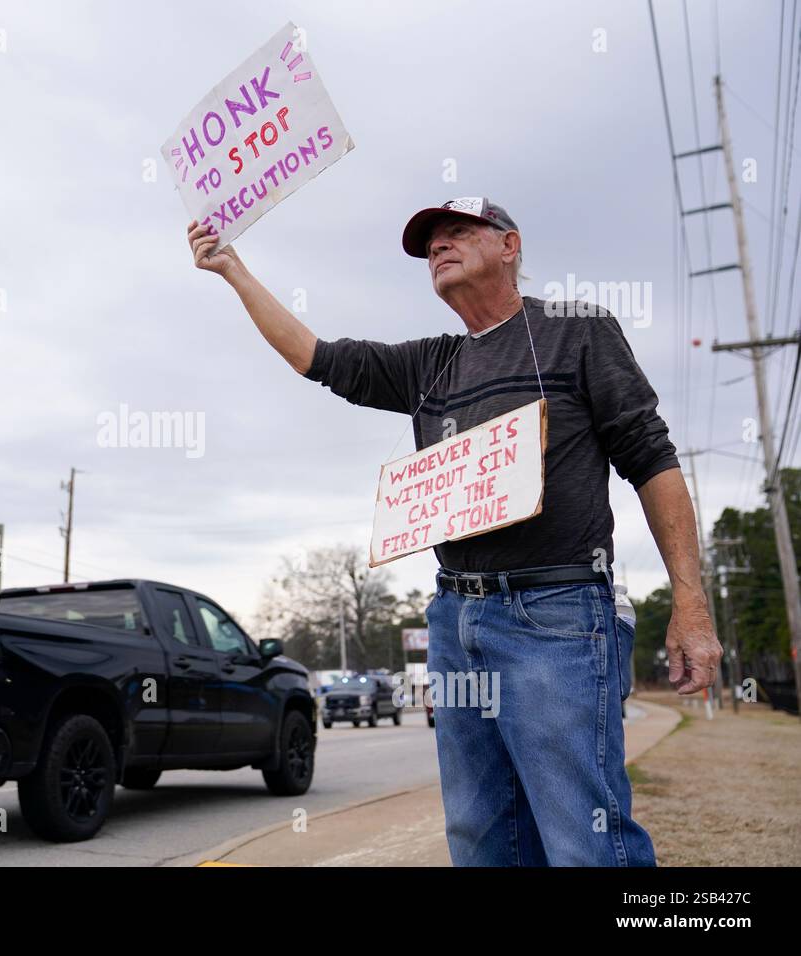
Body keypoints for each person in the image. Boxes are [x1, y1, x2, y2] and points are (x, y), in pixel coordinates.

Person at [185, 198, 722, 866]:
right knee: (480, 834)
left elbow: (651, 458)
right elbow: (315, 358)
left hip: (555, 614)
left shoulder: (577, 331)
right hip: (455, 618)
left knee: (581, 835)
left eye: (457, 233)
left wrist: (691, 603)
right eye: (430, 243)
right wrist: (233, 269)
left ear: (509, 245)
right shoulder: (430, 364)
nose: (439, 247)